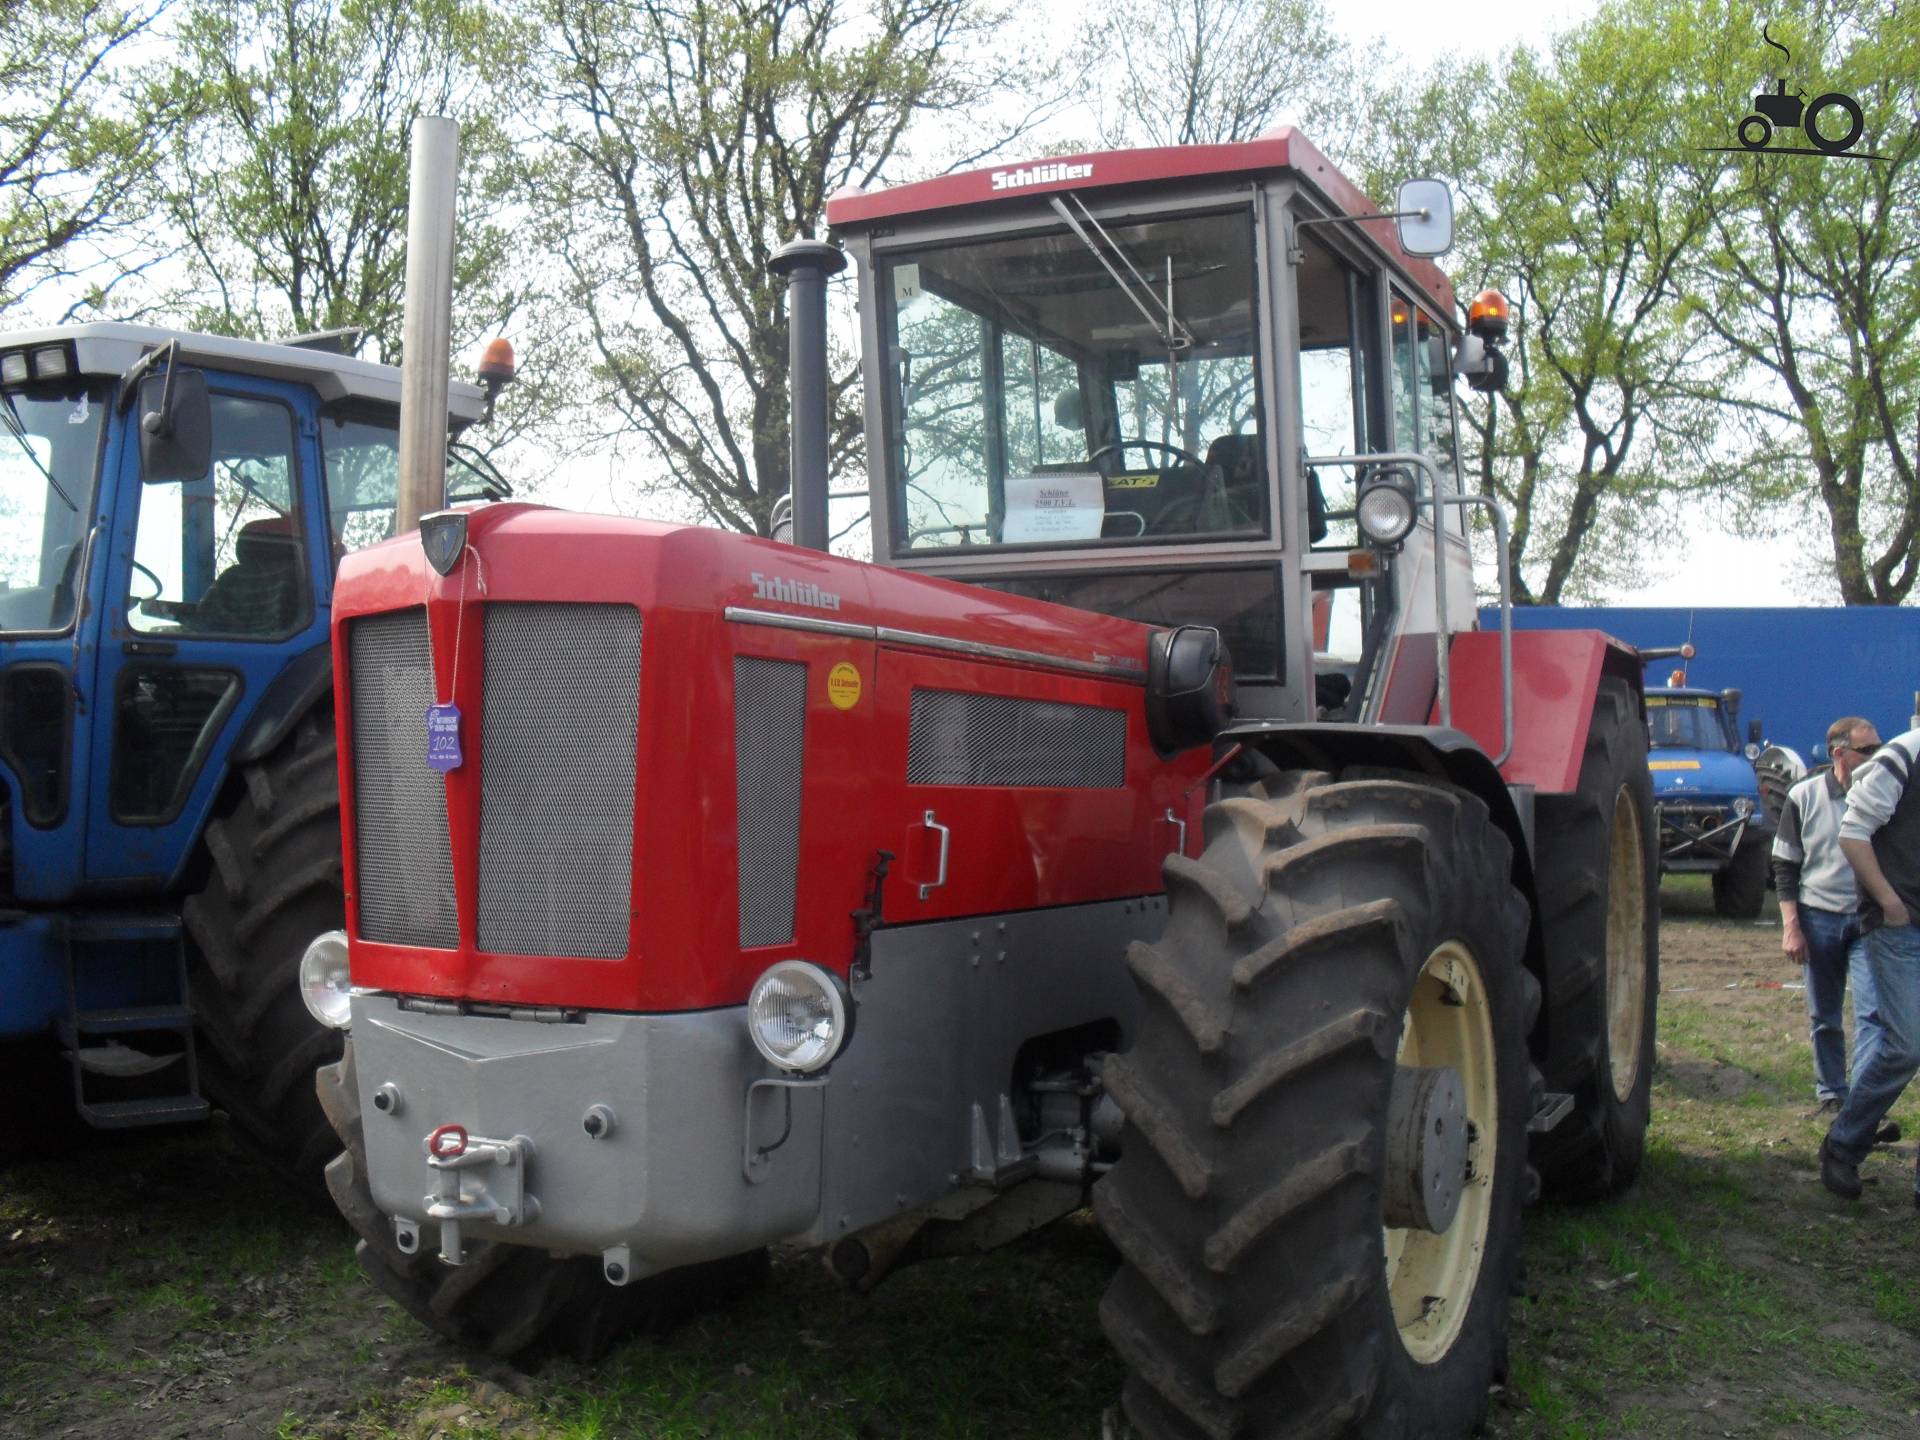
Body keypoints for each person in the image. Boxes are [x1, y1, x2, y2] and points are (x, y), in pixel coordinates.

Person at [1820, 724, 1920, 1202]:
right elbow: (1853, 832)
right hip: (1899, 927)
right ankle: (1843, 1145)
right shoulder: (1903, 756)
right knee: (1905, 1046)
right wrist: (1890, 903)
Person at [1774, 717, 1888, 1119]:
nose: (1878, 756)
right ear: (1839, 753)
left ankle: (1862, 1100)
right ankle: (1831, 1093)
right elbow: (1785, 866)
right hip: (1817, 919)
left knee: (1873, 1014)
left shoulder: (1881, 794)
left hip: (1867, 921)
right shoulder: (1803, 796)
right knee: (1824, 1016)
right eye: (1868, 750)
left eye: (1880, 747)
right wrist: (1792, 927)